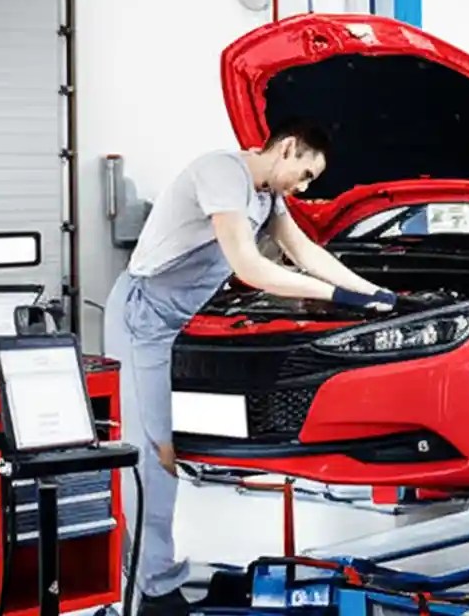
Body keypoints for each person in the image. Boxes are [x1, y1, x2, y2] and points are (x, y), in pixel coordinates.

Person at [103, 118, 394, 615]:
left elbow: (305, 251)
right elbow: (249, 266)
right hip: (142, 318)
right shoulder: (222, 172)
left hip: (182, 323)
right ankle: (150, 588)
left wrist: (375, 294)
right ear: (286, 149)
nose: (303, 187)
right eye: (304, 173)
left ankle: (155, 570)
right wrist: (337, 296)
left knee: (176, 449)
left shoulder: (267, 197)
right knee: (156, 454)